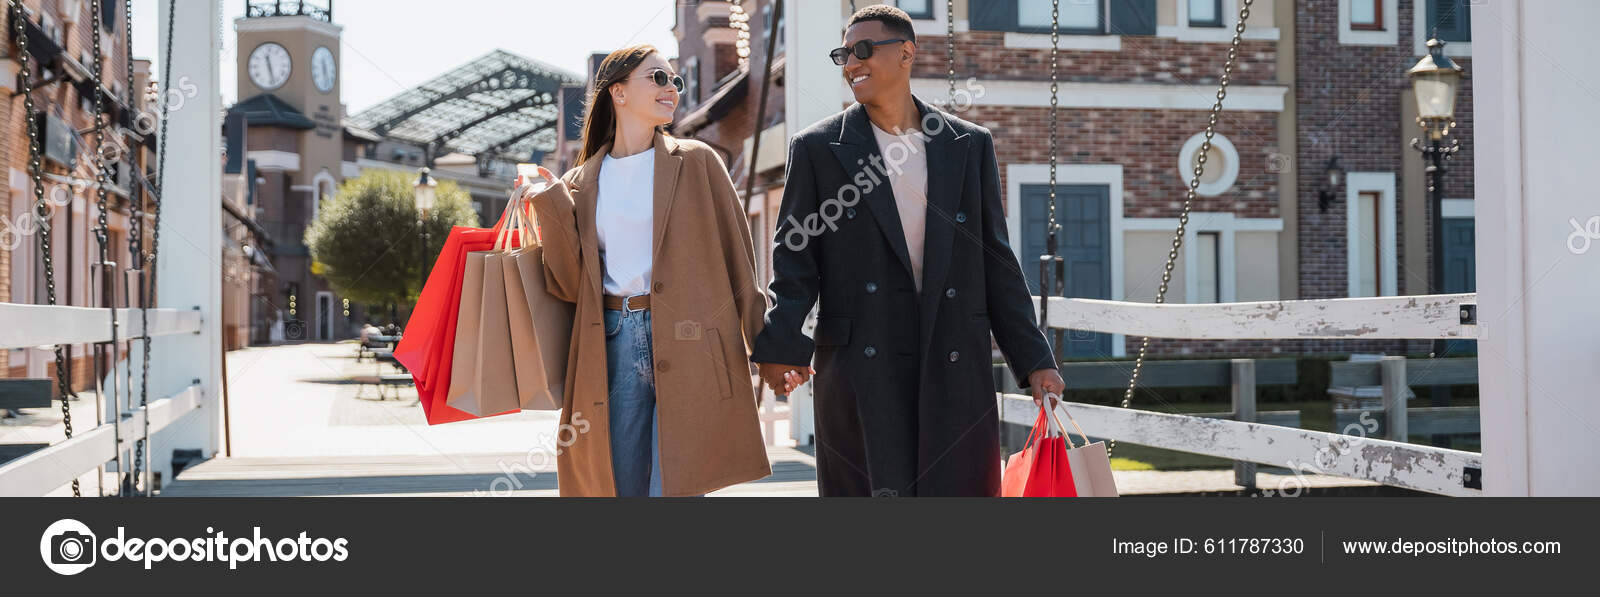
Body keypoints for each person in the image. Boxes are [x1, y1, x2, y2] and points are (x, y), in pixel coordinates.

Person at [750, 5, 1067, 497]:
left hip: (953, 357)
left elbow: (996, 260)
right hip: (863, 365)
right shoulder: (815, 148)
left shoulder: (967, 143)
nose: (851, 63)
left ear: (906, 53)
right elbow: (794, 257)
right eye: (843, 54)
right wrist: (780, 345)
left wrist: (1034, 359)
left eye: (862, 50)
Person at [527, 44, 771, 497]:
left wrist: (768, 348)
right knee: (620, 485)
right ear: (617, 92)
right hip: (613, 342)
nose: (672, 88)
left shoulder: (698, 161)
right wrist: (549, 203)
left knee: (677, 485)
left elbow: (741, 264)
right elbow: (566, 283)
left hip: (691, 338)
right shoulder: (580, 184)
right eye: (658, 78)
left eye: (675, 80)